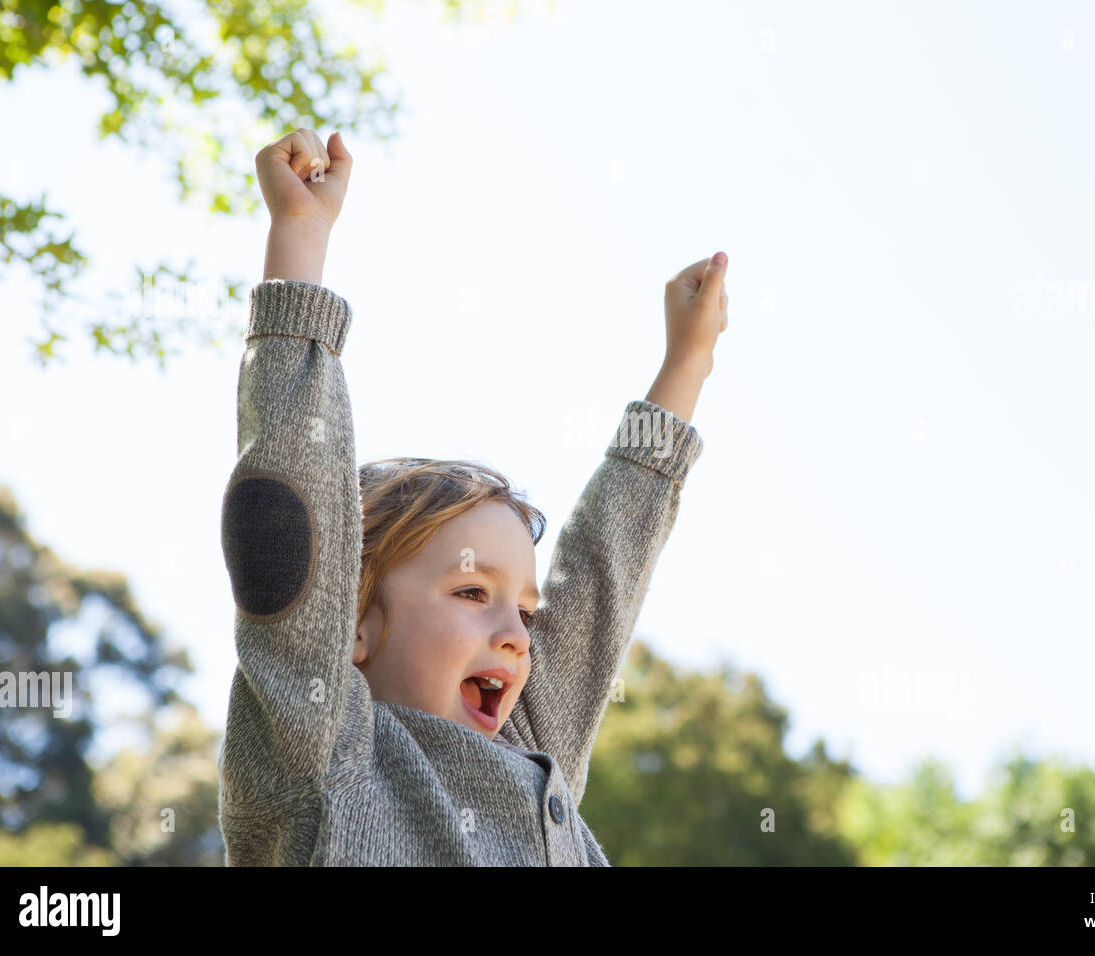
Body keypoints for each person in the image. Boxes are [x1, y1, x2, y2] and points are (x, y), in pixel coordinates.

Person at [218, 128, 729, 864]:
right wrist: (299, 239)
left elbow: (600, 576)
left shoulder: (528, 749)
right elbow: (287, 524)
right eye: (469, 592)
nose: (519, 637)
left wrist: (687, 363)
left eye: (523, 610)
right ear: (351, 621)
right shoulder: (324, 748)